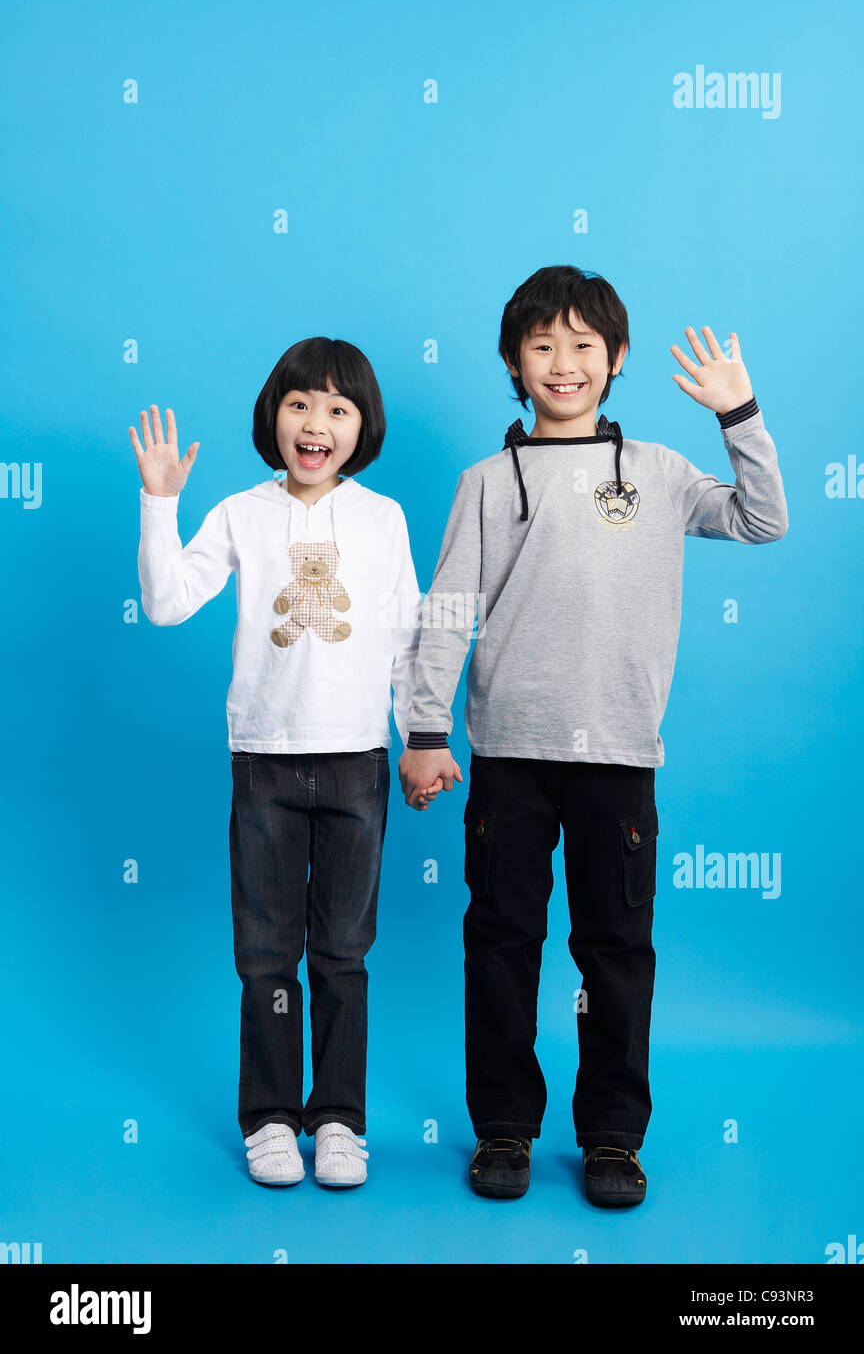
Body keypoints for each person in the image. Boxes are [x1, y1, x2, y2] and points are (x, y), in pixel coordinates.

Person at [398, 265, 788, 1206]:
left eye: (582, 346)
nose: (562, 363)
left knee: (615, 951)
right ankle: (503, 1130)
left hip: (619, 753)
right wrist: (421, 725)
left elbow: (763, 520)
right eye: (542, 346)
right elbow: (448, 605)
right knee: (501, 942)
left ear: (615, 359)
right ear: (512, 362)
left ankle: (613, 1136)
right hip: (512, 755)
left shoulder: (654, 471)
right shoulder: (488, 481)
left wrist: (741, 418)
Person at [130, 337, 432, 1188]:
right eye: (300, 403)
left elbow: (408, 640)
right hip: (263, 760)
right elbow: (164, 603)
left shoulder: (382, 520)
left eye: (339, 408)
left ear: (362, 427)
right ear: (274, 415)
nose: (317, 423)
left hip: (357, 764)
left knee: (342, 950)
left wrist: (421, 741)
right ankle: (269, 1117)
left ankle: (337, 1116)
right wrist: (161, 504)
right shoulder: (239, 512)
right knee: (266, 954)